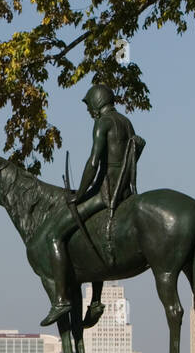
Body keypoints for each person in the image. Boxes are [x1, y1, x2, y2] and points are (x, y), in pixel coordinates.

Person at [39, 83, 146, 326]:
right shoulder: (126, 122)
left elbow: (94, 161)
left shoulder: (103, 123)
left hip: (106, 191)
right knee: (90, 234)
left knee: (55, 235)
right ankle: (95, 301)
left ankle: (61, 300)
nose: (89, 112)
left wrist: (81, 193)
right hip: (125, 190)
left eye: (89, 106)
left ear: (97, 102)